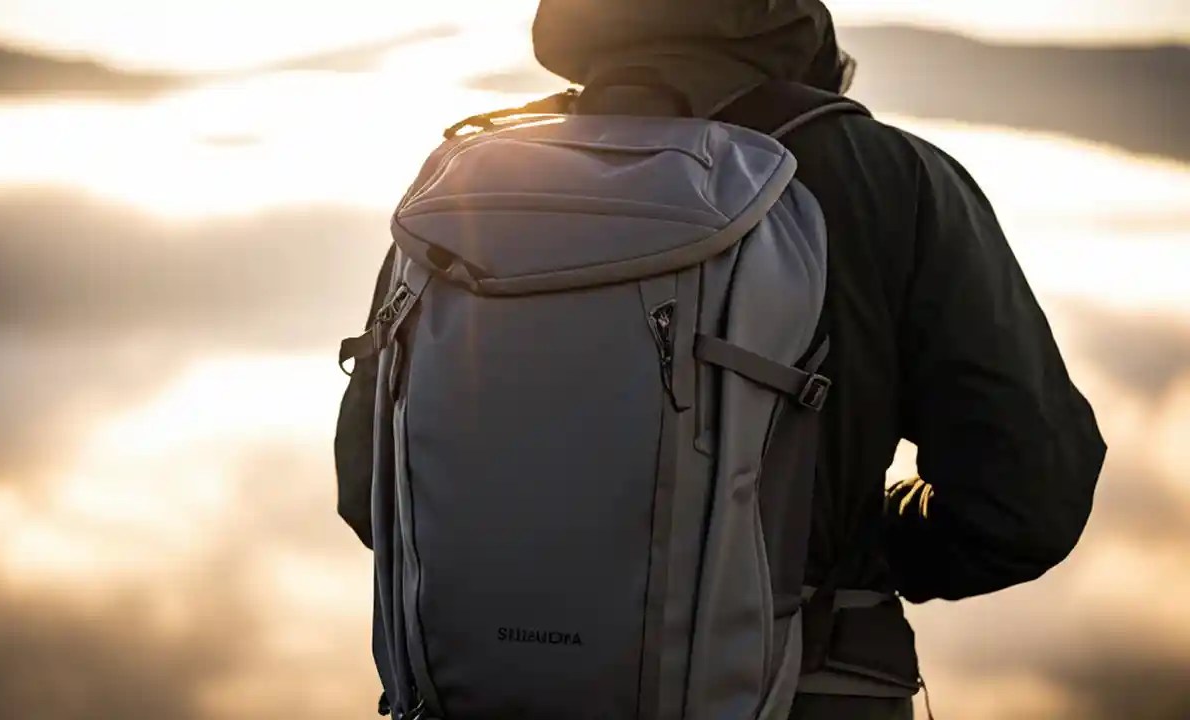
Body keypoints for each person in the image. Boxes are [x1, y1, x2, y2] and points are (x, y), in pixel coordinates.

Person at [337, 1, 1106, 718]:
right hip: (803, 692)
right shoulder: (885, 180)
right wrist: (795, 544)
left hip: (488, 695)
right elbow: (1024, 501)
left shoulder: (469, 189)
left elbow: (370, 484)